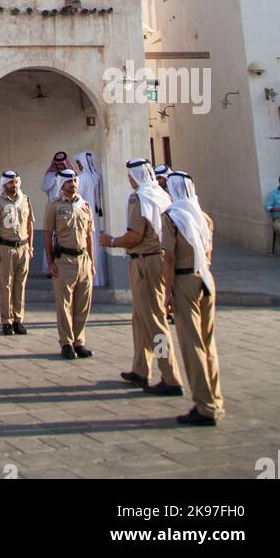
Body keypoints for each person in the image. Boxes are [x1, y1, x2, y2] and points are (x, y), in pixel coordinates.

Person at [100, 159, 183, 396]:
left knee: (155, 322)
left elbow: (135, 235)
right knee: (140, 318)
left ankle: (170, 375)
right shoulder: (160, 195)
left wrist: (112, 241)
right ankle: (140, 369)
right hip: (157, 258)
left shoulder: (138, 198)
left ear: (134, 176)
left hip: (146, 262)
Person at [163, 171, 224, 426]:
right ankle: (216, 399)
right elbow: (208, 251)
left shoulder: (173, 217)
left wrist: (168, 291)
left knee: (192, 344)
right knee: (208, 343)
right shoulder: (203, 217)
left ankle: (204, 404)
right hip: (206, 279)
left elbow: (168, 257)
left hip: (185, 280)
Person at [43, 168, 95, 359]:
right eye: (68, 182)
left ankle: (78, 341)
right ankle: (66, 342)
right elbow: (48, 235)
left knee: (82, 304)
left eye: (74, 181)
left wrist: (92, 262)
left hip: (83, 260)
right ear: (61, 185)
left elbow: (89, 236)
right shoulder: (54, 206)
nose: (72, 184)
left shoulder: (85, 205)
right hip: (64, 260)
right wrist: (50, 262)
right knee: (64, 304)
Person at [0, 170, 34, 335]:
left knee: (20, 285)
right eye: (9, 183)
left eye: (15, 182)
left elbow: (29, 224)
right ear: (3, 184)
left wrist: (30, 246)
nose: (13, 185)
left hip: (22, 247)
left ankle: (18, 319)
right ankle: (6, 320)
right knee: (5, 285)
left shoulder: (25, 200)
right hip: (5, 248)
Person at [39, 151, 75, 276]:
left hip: (67, 211)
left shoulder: (70, 177)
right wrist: (55, 178)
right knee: (50, 238)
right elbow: (44, 187)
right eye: (57, 164)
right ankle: (49, 267)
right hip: (53, 209)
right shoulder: (50, 175)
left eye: (61, 164)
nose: (59, 166)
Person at [75, 150, 108, 286]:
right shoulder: (97, 177)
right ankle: (99, 278)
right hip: (96, 216)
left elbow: (78, 197)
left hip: (86, 216)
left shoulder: (82, 178)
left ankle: (92, 279)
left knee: (89, 244)